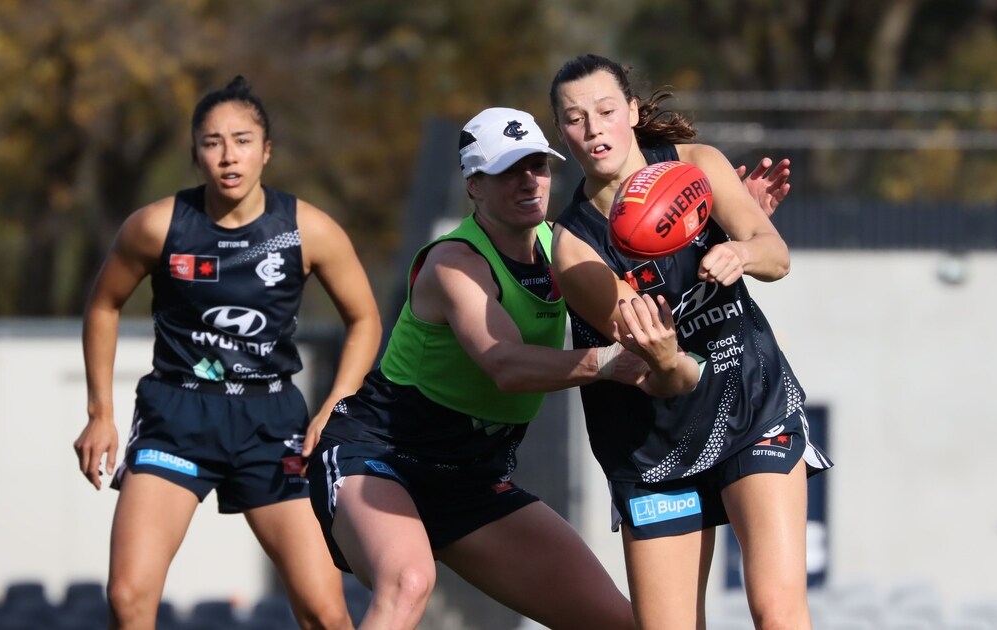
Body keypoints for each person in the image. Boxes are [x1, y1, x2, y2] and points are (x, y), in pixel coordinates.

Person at [305, 106, 693, 630]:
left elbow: (645, 310)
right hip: (380, 456)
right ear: (473, 185)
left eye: (538, 165)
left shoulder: (566, 248)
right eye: (509, 170)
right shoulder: (454, 262)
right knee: (408, 581)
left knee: (620, 624)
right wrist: (605, 362)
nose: (528, 181)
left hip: (472, 477)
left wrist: (717, 230)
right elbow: (504, 364)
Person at [73, 76, 382, 630]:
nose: (228, 156)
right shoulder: (156, 226)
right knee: (127, 598)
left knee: (325, 611)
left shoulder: (307, 229)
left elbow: (364, 320)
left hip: (272, 424)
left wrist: (339, 400)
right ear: (196, 154)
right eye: (212, 142)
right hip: (177, 416)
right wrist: (100, 412)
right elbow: (103, 306)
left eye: (242, 140)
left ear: (266, 151)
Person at [548, 53, 833, 630]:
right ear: (562, 132)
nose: (594, 128)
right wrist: (665, 354)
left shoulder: (696, 165)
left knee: (778, 612)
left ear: (630, 111)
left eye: (606, 110)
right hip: (655, 445)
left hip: (752, 403)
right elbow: (669, 377)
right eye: (575, 119)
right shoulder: (574, 250)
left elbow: (776, 257)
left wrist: (741, 250)